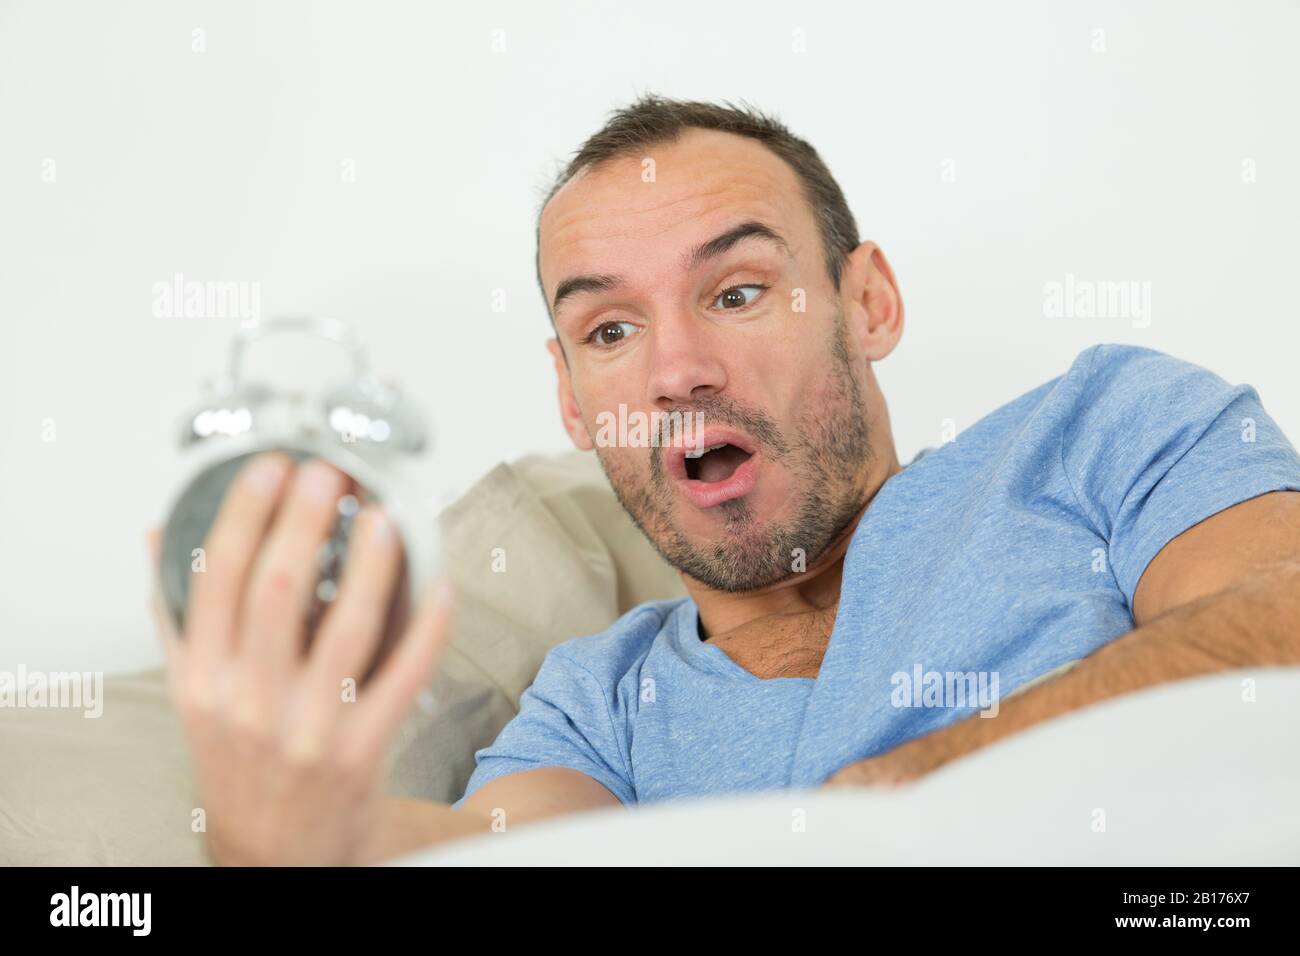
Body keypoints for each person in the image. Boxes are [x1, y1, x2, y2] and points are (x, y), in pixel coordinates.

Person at [152, 95, 1300, 865]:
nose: (678, 370)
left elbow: (1278, 615)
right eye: (609, 330)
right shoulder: (596, 702)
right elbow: (486, 856)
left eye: (738, 291)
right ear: (569, 397)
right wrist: (289, 833)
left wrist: (901, 797)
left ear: (868, 303)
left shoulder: (1100, 426)